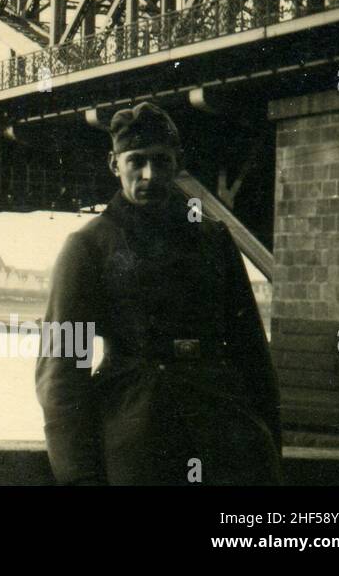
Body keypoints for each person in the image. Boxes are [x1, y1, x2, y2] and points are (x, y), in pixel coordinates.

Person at [35, 101, 282, 485]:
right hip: (139, 438)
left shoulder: (213, 239)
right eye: (136, 161)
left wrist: (267, 446)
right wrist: (79, 478)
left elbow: (252, 354)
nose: (150, 174)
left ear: (177, 163)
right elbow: (62, 371)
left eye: (162, 161)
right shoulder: (88, 247)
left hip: (225, 435)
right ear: (115, 165)